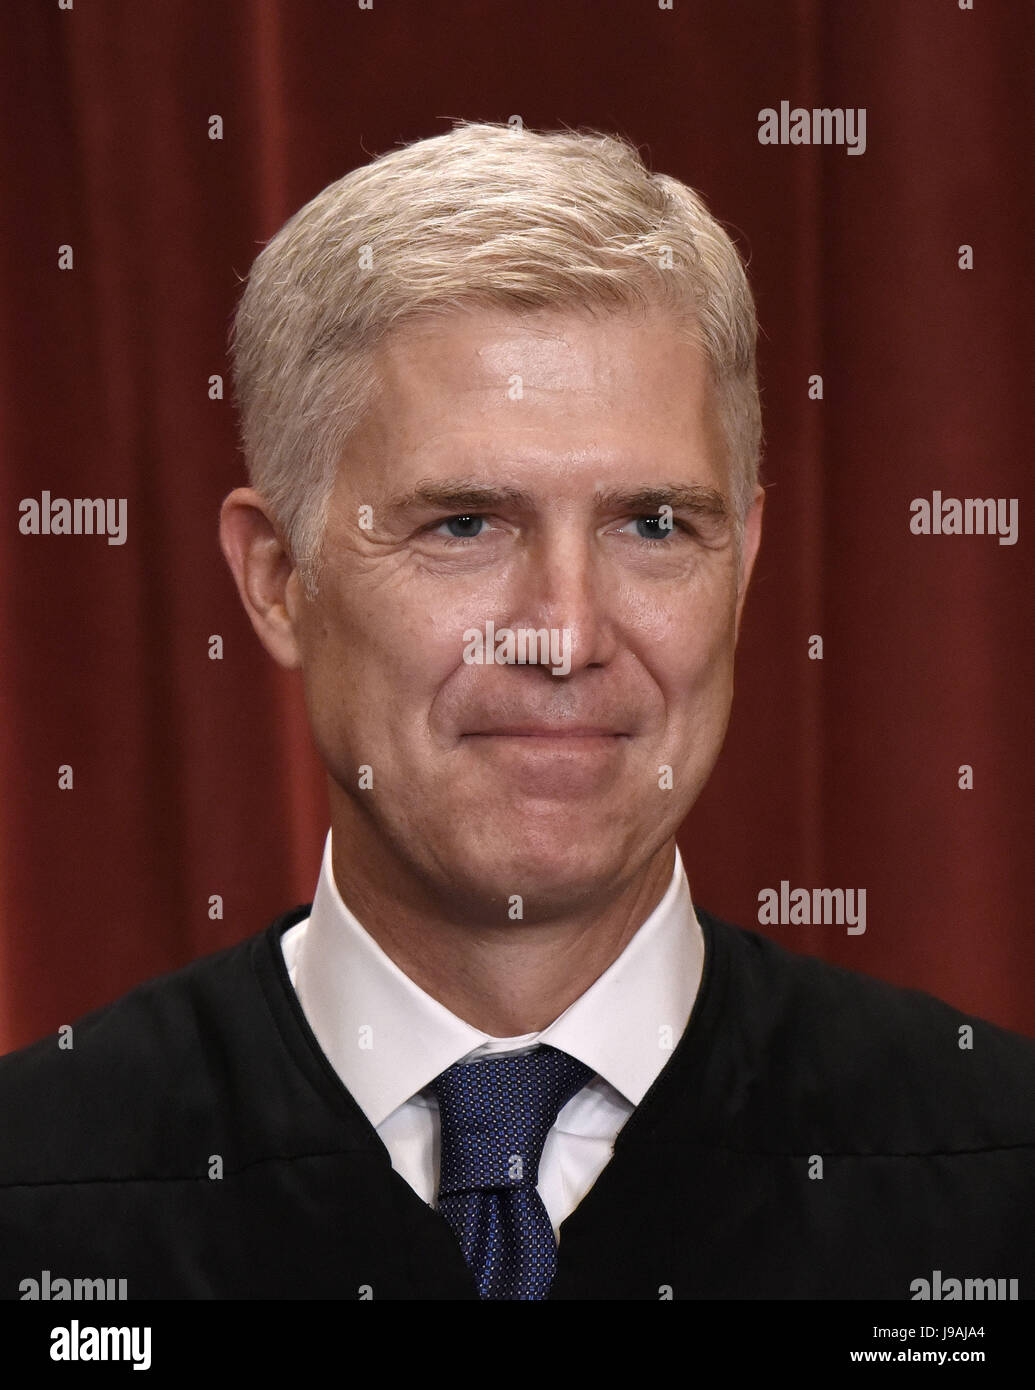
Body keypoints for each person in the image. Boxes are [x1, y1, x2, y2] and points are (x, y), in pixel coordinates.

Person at [1, 121, 1033, 1303]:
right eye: (464, 525)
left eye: (653, 525)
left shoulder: (995, 1187)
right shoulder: (37, 1202)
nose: (564, 634)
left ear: (742, 564)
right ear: (279, 577)